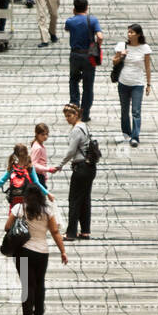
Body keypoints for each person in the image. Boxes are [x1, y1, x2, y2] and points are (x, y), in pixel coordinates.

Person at [7, 185, 69, 315]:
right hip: (42, 252)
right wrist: (63, 251)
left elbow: (7, 226)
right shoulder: (47, 210)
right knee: (39, 284)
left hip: (22, 252)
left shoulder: (19, 208)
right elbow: (54, 232)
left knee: (27, 286)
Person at [112, 23, 153, 147]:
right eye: (128, 32)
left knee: (136, 110)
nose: (129, 34)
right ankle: (126, 133)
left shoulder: (145, 48)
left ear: (138, 34)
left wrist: (149, 84)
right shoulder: (122, 46)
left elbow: (147, 67)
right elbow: (114, 61)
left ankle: (135, 137)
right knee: (124, 110)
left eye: (132, 32)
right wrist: (122, 55)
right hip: (123, 81)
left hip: (138, 83)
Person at [59, 103, 94, 240]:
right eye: (66, 116)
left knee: (74, 200)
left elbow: (71, 151)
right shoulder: (85, 126)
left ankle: (71, 233)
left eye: (70, 115)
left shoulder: (76, 130)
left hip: (81, 167)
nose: (67, 118)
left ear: (77, 114)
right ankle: (85, 231)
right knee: (85, 199)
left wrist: (60, 165)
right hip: (90, 167)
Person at [65, 0, 102, 122]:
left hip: (75, 55)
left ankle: (75, 106)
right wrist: (97, 45)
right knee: (88, 85)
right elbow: (100, 36)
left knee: (73, 80)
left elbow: (67, 29)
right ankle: (85, 114)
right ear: (87, 7)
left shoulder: (70, 21)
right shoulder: (92, 20)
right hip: (89, 56)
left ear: (74, 8)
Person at [0, 144, 51, 211]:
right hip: (27, 199)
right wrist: (47, 193)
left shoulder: (13, 167)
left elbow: (2, 180)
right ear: (26, 153)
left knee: (12, 216)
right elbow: (36, 183)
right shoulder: (29, 167)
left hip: (15, 199)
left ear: (15, 155)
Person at [29, 123, 58, 191]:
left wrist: (45, 174)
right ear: (37, 134)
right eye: (43, 134)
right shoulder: (38, 147)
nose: (45, 137)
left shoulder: (40, 146)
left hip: (40, 176)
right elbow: (34, 164)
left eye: (47, 134)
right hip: (37, 176)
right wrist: (48, 169)